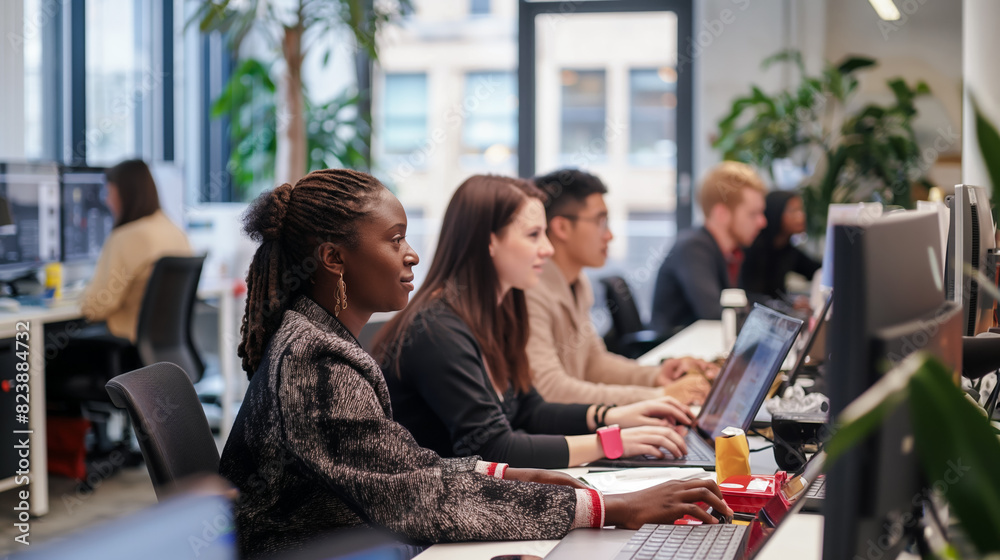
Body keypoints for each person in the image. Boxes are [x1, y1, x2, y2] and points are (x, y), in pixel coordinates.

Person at [219, 169, 732, 559]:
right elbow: (416, 494)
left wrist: (508, 473)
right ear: (333, 259)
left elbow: (407, 466)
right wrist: (609, 507)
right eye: (395, 240)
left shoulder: (319, 340)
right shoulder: (321, 360)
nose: (412, 254)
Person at [376, 175, 697, 470]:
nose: (547, 248)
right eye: (533, 235)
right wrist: (611, 442)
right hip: (434, 515)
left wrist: (615, 416)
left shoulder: (499, 311)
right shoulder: (436, 329)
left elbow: (531, 410)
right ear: (488, 242)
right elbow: (495, 448)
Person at [526, 169, 716, 406]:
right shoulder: (530, 291)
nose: (609, 235)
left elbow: (594, 363)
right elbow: (551, 390)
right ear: (562, 228)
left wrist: (657, 377)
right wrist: (658, 396)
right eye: (600, 221)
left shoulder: (577, 282)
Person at [650, 161, 767, 337]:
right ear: (721, 214)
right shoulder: (693, 247)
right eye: (753, 214)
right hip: (674, 353)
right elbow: (713, 313)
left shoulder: (728, 252)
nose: (762, 222)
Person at [80, 159, 191, 342]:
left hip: (129, 347)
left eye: (109, 191)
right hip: (166, 349)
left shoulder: (125, 238)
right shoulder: (176, 232)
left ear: (125, 193)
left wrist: (83, 295)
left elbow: (97, 308)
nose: (106, 200)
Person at [740, 190, 821, 311]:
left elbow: (815, 268)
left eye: (800, 210)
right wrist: (789, 305)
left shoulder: (787, 249)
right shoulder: (754, 247)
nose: (801, 216)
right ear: (775, 212)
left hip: (776, 316)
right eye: (793, 211)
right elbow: (749, 296)